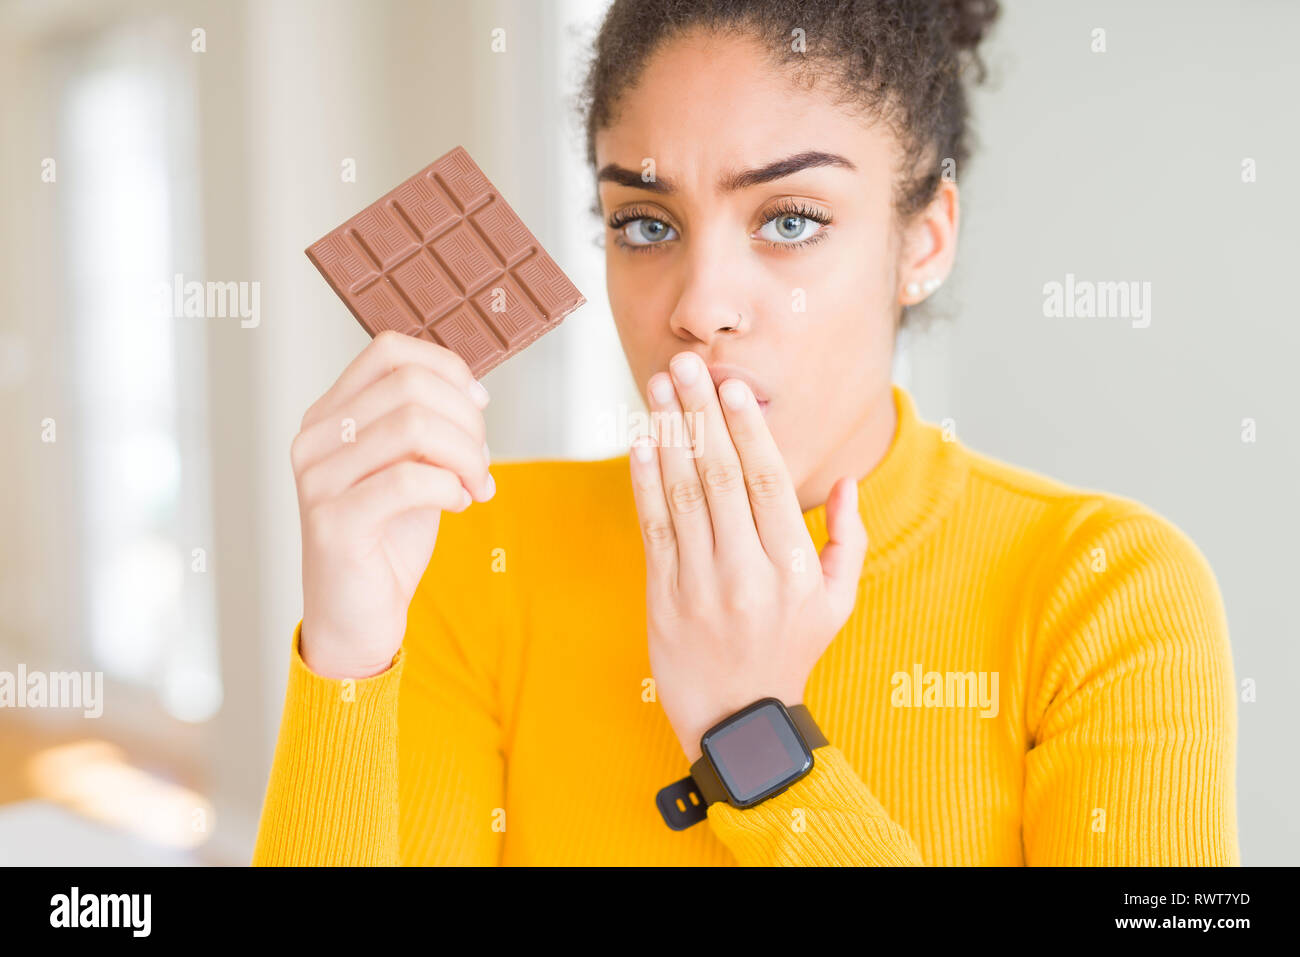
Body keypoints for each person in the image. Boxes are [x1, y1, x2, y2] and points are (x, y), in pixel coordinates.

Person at [253, 0, 1238, 865]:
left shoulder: (1108, 592)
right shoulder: (472, 552)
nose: (700, 306)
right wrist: (348, 658)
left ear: (923, 241)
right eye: (645, 224)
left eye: (792, 219)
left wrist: (752, 736)